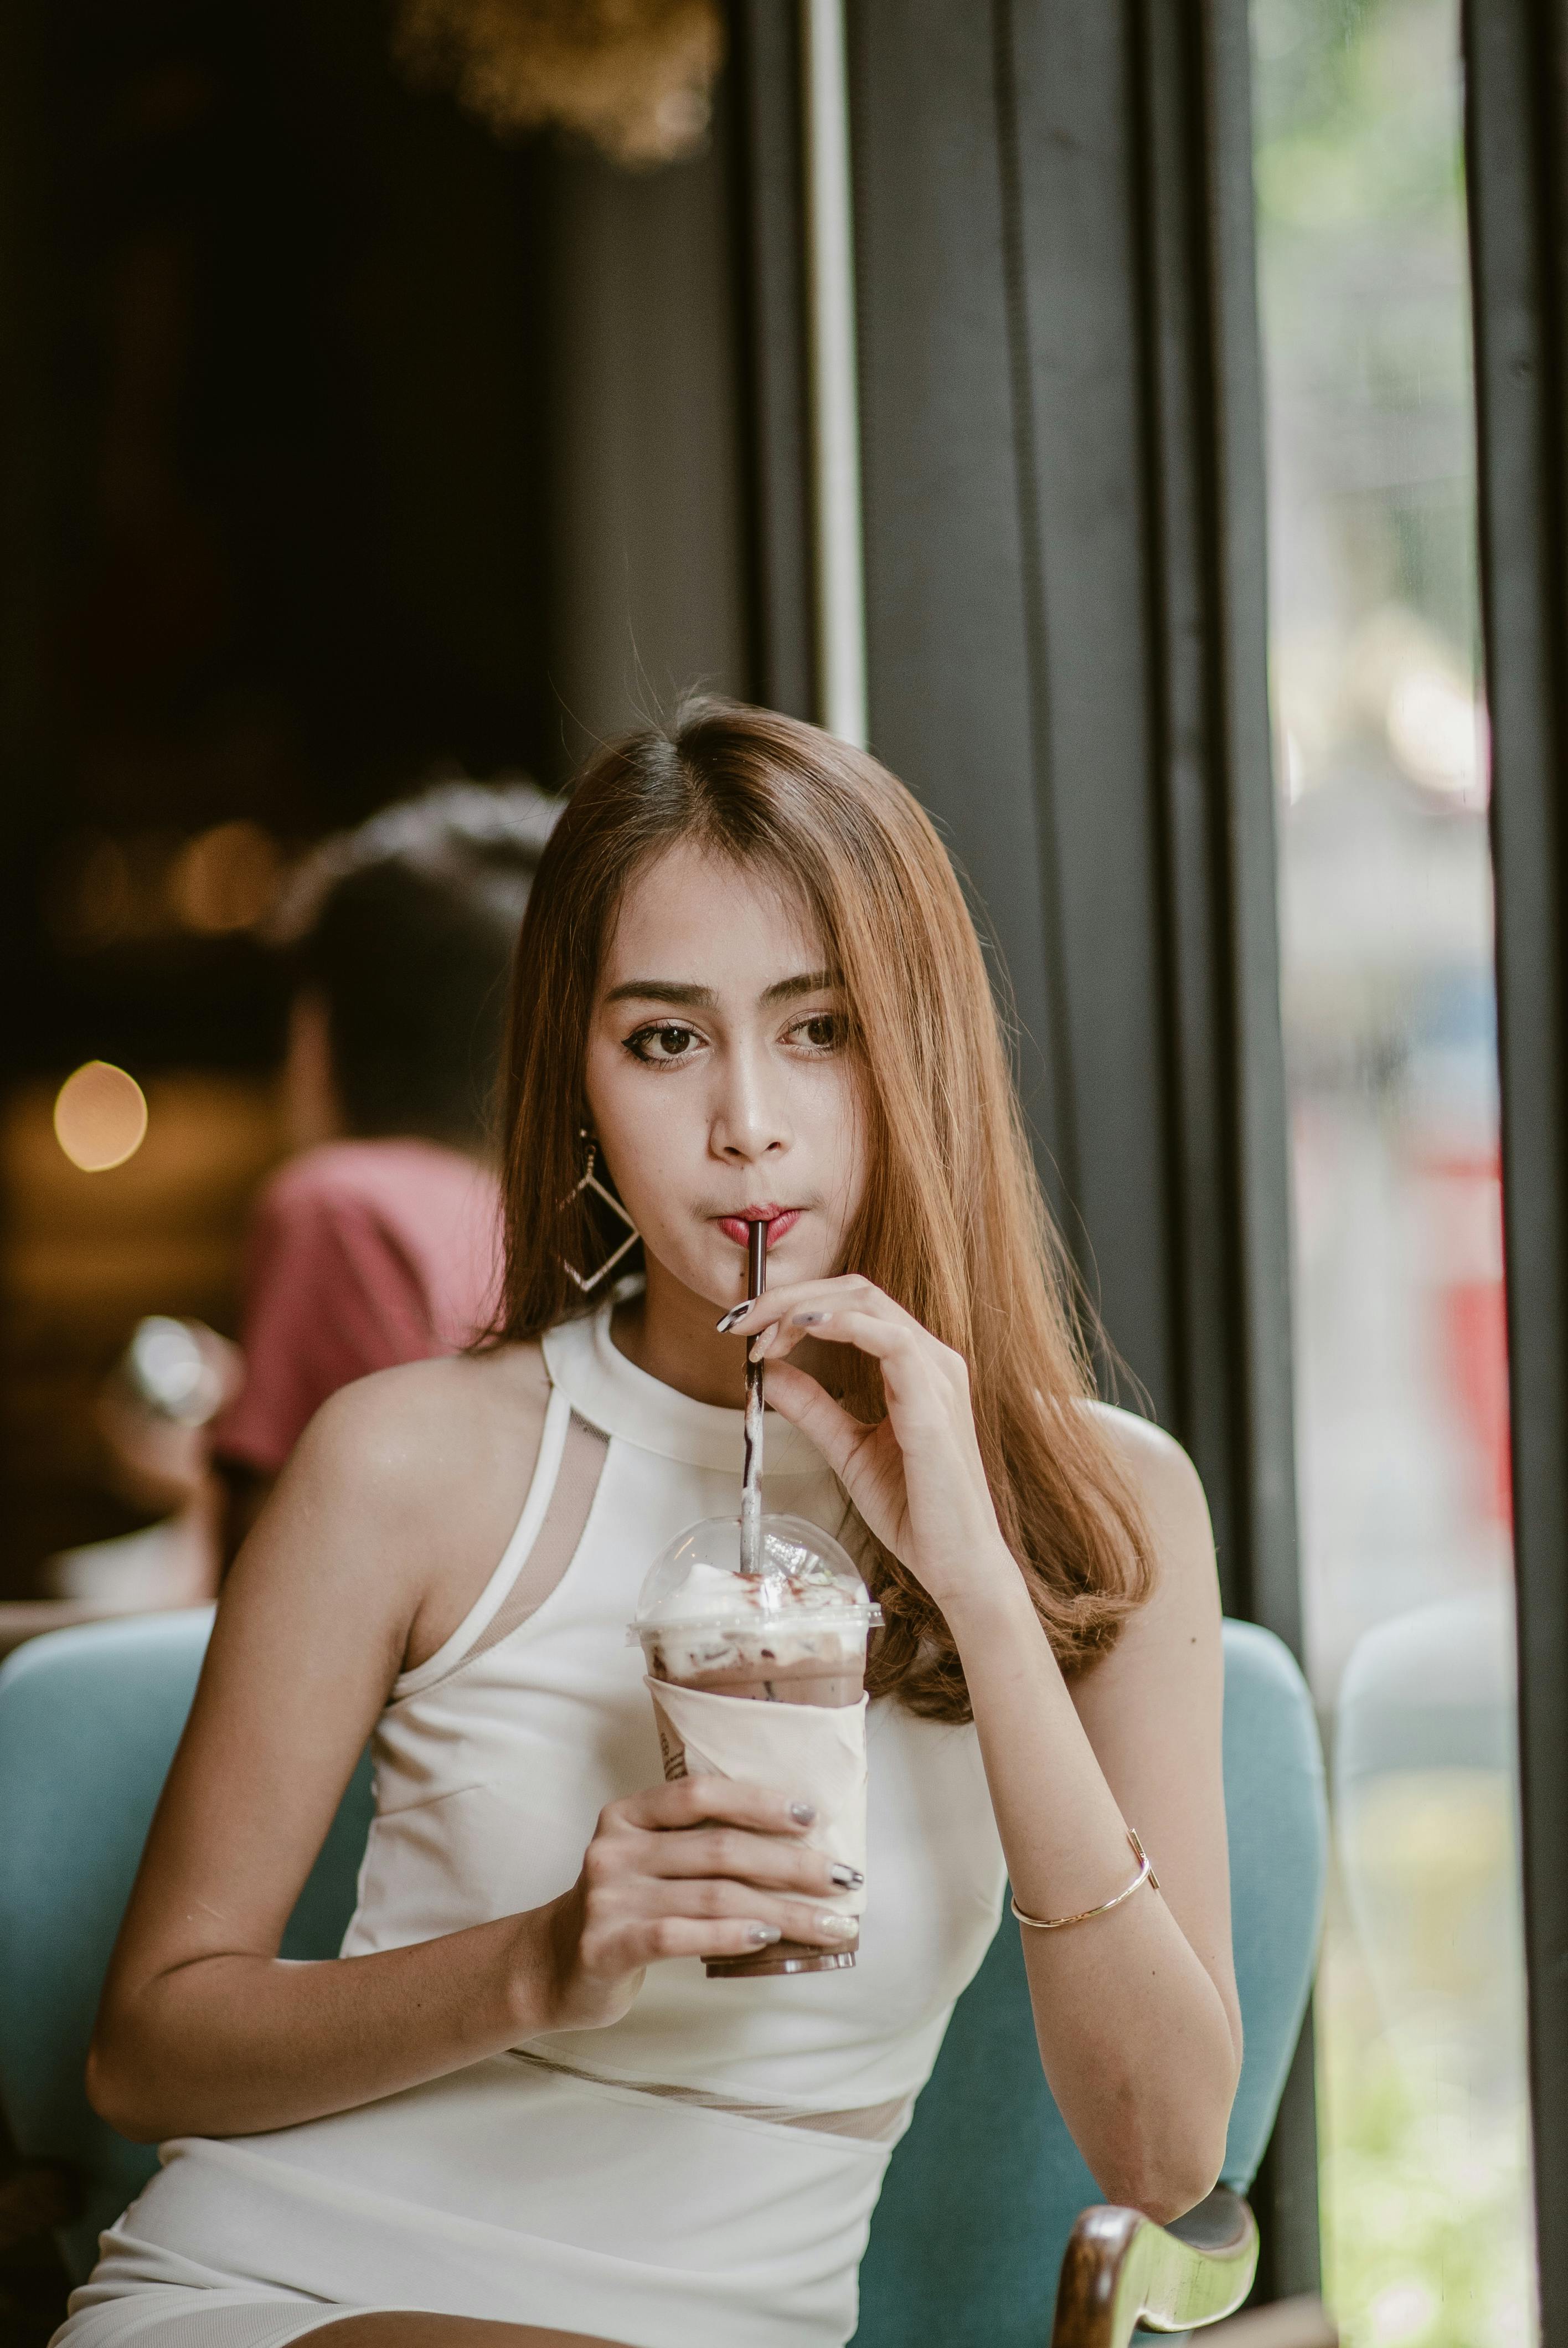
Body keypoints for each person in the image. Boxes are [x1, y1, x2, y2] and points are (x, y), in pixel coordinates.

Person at [60, 700, 1239, 2348]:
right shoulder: (407, 1461)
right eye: (668, 1040)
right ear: (581, 1081)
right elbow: (148, 2050)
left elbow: (1165, 2153)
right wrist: (547, 1961)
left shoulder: (1110, 1506)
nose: (746, 1118)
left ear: (922, 1052)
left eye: (818, 1027)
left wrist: (978, 1582)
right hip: (291, 2295)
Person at [100, 781, 562, 1578]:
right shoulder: (563, 1221)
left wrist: (208, 1474)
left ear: (321, 1031)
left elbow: (272, 1583)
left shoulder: (342, 1207)